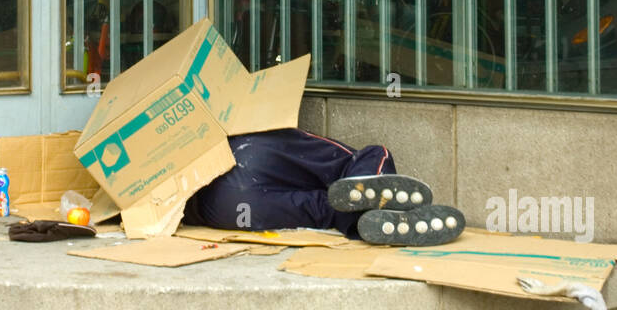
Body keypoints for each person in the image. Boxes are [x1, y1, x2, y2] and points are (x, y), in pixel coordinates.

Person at [181, 127, 465, 245]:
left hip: (220, 209)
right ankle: (365, 180)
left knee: (323, 210)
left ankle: (368, 220)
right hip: (244, 151)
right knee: (362, 158)